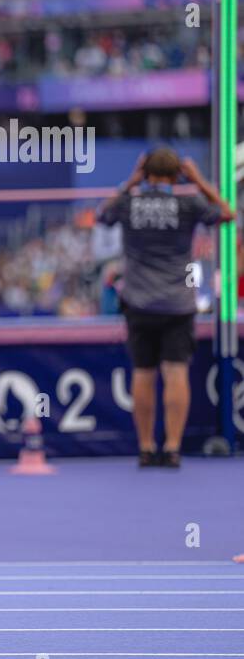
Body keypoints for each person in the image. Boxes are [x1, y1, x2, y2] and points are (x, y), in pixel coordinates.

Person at [96, 147, 236, 468]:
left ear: (145, 174)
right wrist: (200, 181)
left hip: (139, 302)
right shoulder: (188, 203)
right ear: (177, 176)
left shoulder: (129, 203)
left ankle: (146, 448)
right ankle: (172, 448)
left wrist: (130, 182)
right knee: (176, 373)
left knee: (143, 374)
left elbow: (102, 216)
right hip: (177, 303)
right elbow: (227, 214)